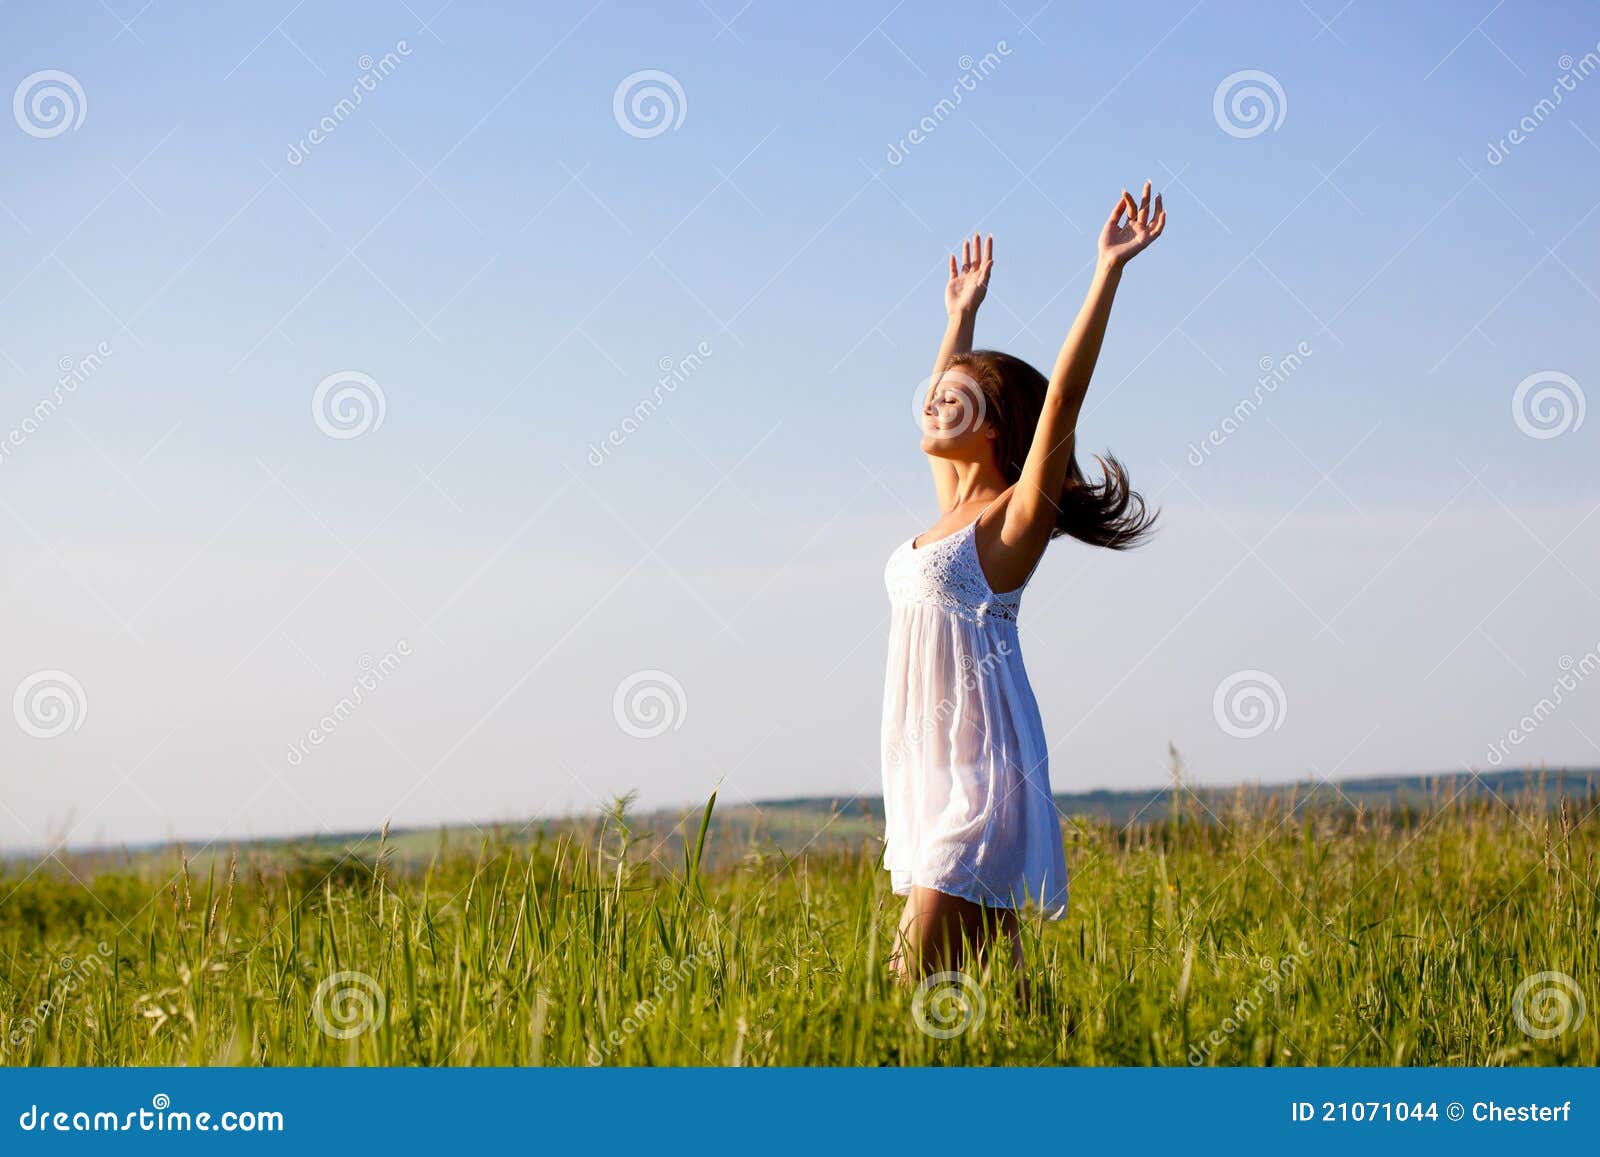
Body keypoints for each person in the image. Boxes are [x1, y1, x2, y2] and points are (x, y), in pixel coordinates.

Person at [882, 182, 1168, 985]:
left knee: (910, 989)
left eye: (953, 401)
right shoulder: (951, 514)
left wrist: (1107, 271)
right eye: (933, 400)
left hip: (982, 781)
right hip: (927, 780)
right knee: (994, 1003)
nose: (932, 406)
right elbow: (943, 394)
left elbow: (1062, 403)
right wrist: (958, 318)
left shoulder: (1009, 525)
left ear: (998, 425)